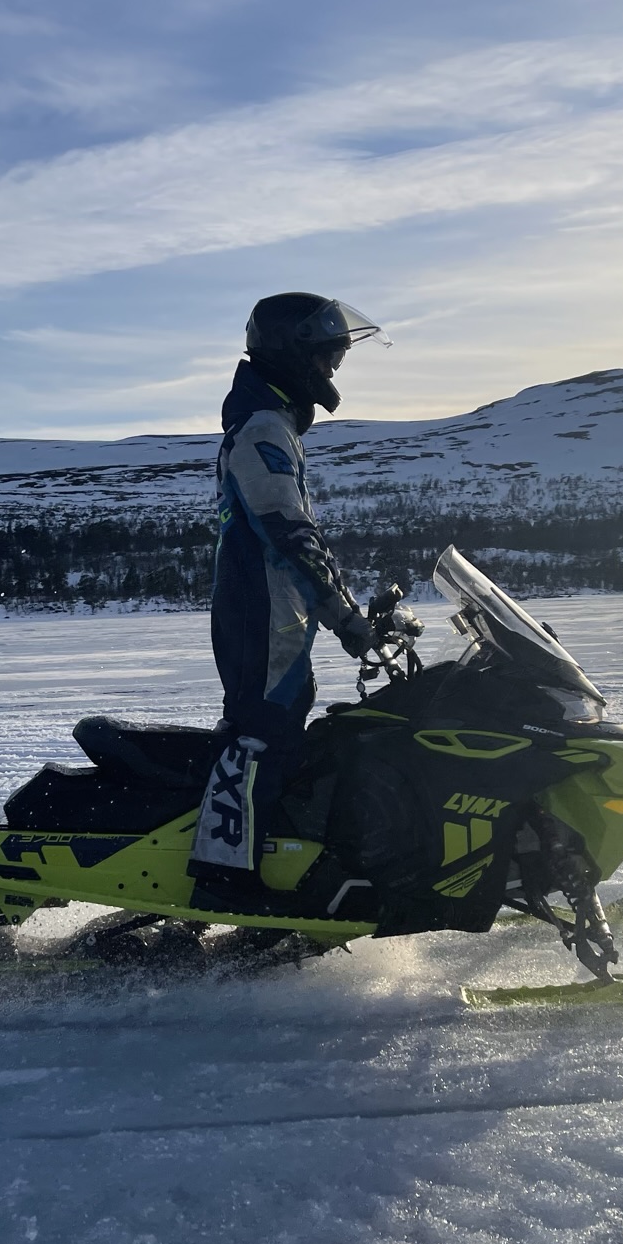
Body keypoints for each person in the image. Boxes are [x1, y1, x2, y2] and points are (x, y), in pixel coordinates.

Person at [188, 291, 389, 912]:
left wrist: (346, 612)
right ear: (291, 354)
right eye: (326, 356)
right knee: (259, 736)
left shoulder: (268, 420)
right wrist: (345, 618)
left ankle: (273, 862)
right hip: (261, 613)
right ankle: (224, 883)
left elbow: (299, 538)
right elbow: (290, 533)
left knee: (282, 731)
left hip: (278, 616)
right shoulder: (263, 428)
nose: (332, 369)